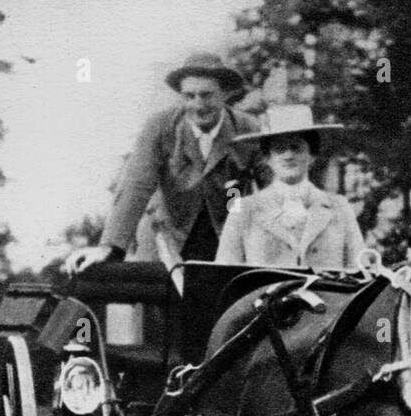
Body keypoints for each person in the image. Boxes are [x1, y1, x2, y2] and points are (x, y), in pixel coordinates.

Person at [64, 52, 259, 272]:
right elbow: (137, 184)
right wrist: (110, 246)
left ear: (224, 94)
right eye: (189, 96)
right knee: (154, 296)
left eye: (206, 95)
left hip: (225, 238)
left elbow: (270, 186)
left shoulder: (248, 128)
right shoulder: (160, 126)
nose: (198, 104)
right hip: (165, 237)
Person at [216, 104, 366, 270]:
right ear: (267, 158)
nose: (288, 155)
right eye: (280, 149)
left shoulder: (339, 207)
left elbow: (361, 270)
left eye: (297, 148)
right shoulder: (243, 210)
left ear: (312, 156)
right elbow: (225, 274)